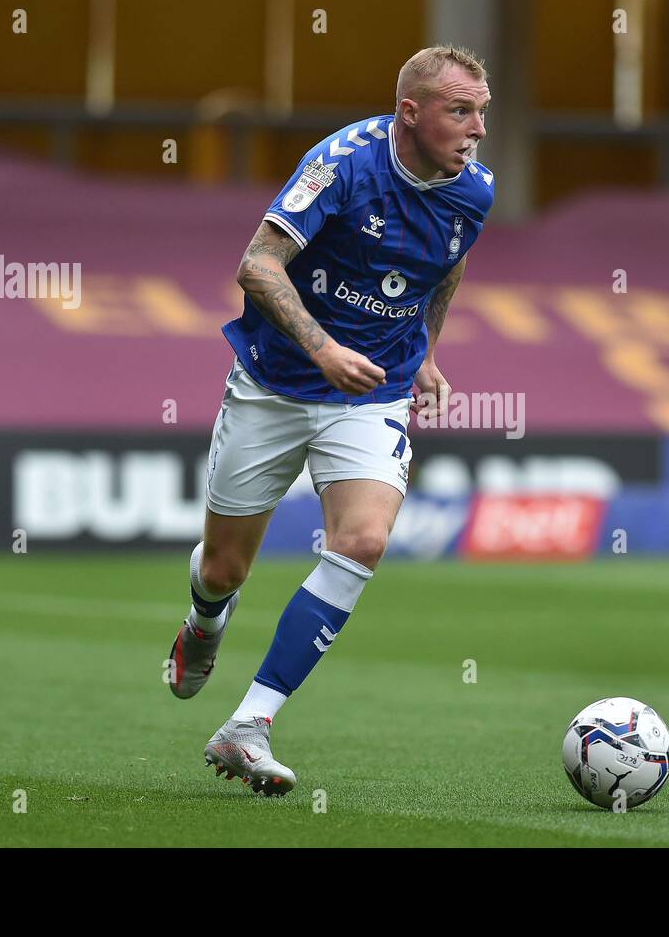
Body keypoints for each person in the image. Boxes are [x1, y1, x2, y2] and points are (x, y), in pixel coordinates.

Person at [165, 45, 494, 792]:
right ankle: (204, 624)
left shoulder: (474, 190)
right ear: (410, 113)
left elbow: (447, 263)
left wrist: (429, 354)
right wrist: (321, 347)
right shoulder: (341, 164)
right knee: (224, 569)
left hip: (373, 391)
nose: (476, 130)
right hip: (277, 381)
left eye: (482, 113)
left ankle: (249, 725)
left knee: (365, 539)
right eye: (459, 111)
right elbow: (256, 263)